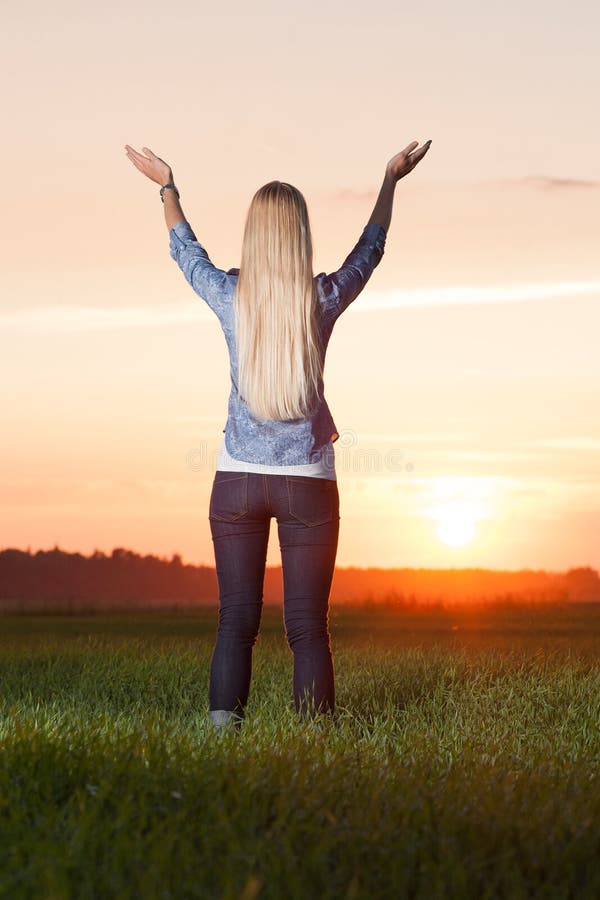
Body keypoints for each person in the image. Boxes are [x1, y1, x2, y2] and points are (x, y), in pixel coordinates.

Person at [124, 139, 432, 731]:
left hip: (236, 479)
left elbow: (185, 253)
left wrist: (168, 186)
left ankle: (221, 740)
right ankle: (314, 744)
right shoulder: (321, 299)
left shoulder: (229, 297)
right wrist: (391, 180)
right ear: (300, 237)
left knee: (235, 619)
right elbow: (370, 250)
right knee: (308, 626)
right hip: (308, 484)